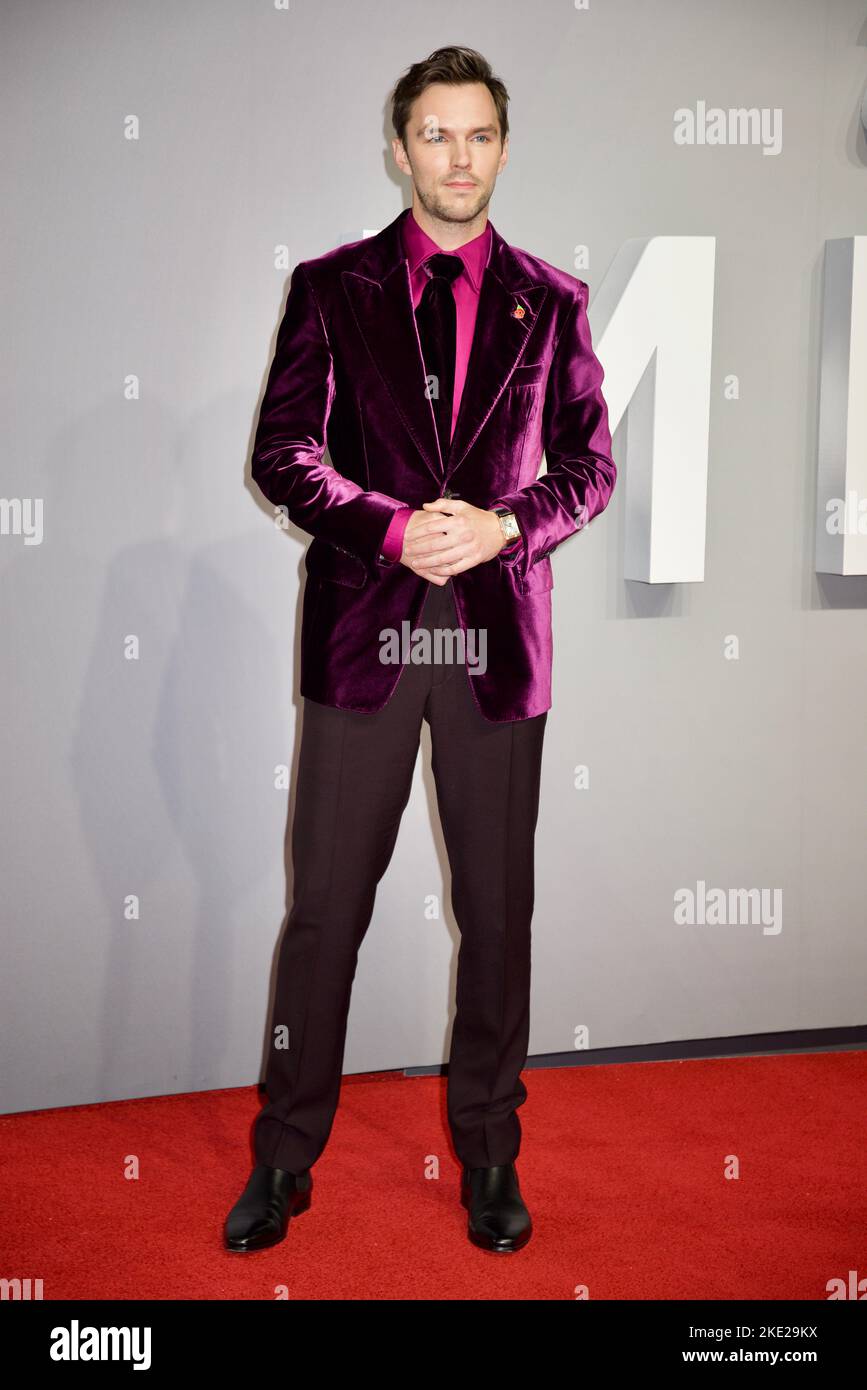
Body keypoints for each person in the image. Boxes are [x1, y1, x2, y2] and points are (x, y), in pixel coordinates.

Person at [224, 44, 616, 1256]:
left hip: (498, 644)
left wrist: (502, 526)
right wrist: (395, 525)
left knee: (499, 915)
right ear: (400, 149)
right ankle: (284, 1157)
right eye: (435, 135)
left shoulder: (552, 301)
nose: (458, 157)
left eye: (479, 135)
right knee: (324, 912)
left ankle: (491, 1149)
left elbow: (591, 468)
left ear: (504, 147)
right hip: (365, 636)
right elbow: (284, 453)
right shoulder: (331, 287)